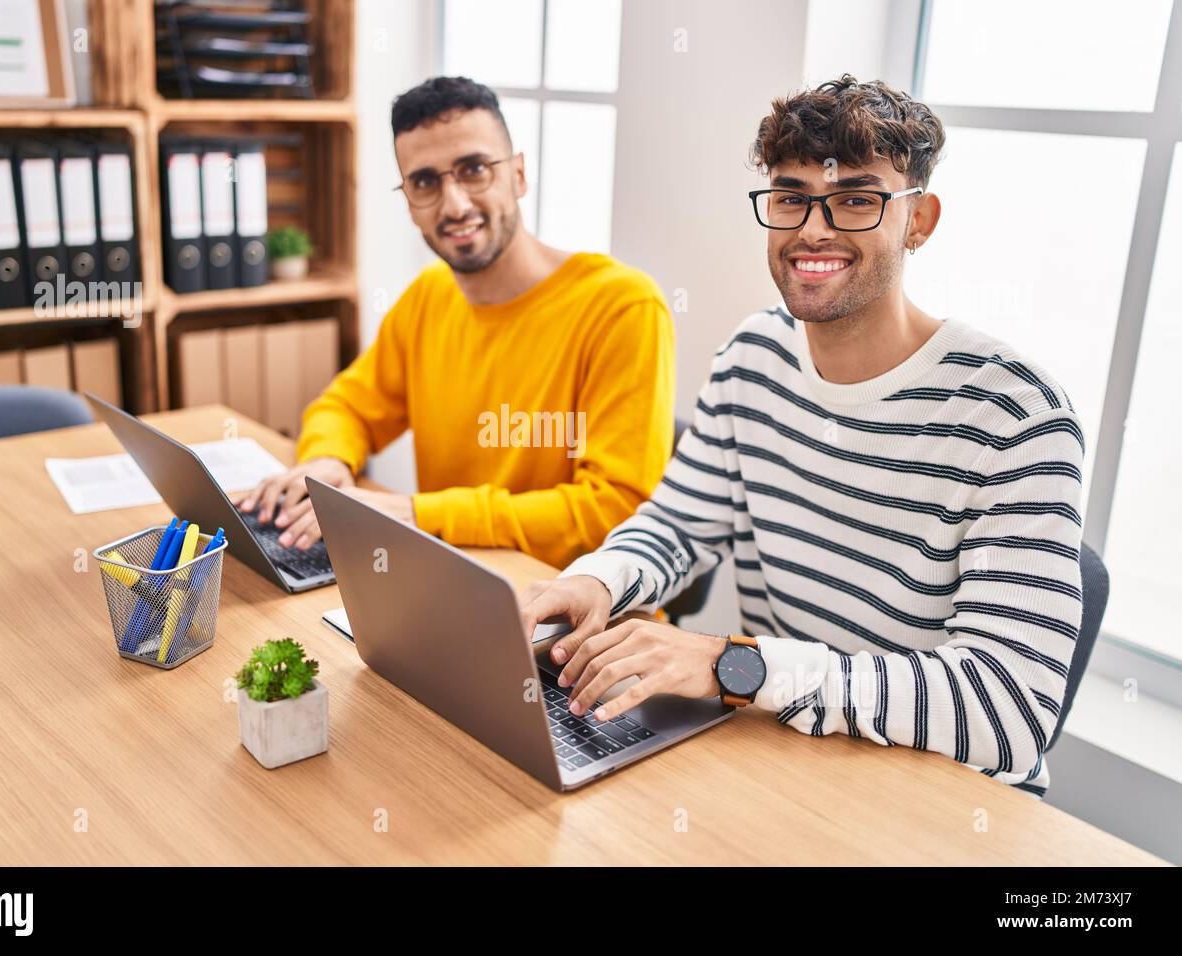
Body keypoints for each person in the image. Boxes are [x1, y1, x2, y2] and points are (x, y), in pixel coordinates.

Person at [519, 75, 1083, 796]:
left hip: (943, 807)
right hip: (793, 767)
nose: (813, 230)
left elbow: (1008, 711)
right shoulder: (754, 355)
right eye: (791, 197)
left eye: (856, 199)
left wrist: (736, 666)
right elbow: (678, 525)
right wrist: (598, 578)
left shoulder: (1014, 416)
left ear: (919, 221)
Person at [238, 76, 674, 569]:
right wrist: (325, 461)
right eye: (425, 182)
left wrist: (417, 513)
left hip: (584, 615)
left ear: (519, 175)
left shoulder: (622, 306)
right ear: (409, 202)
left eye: (474, 170)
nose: (455, 205)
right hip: (455, 576)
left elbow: (614, 509)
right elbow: (347, 407)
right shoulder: (430, 295)